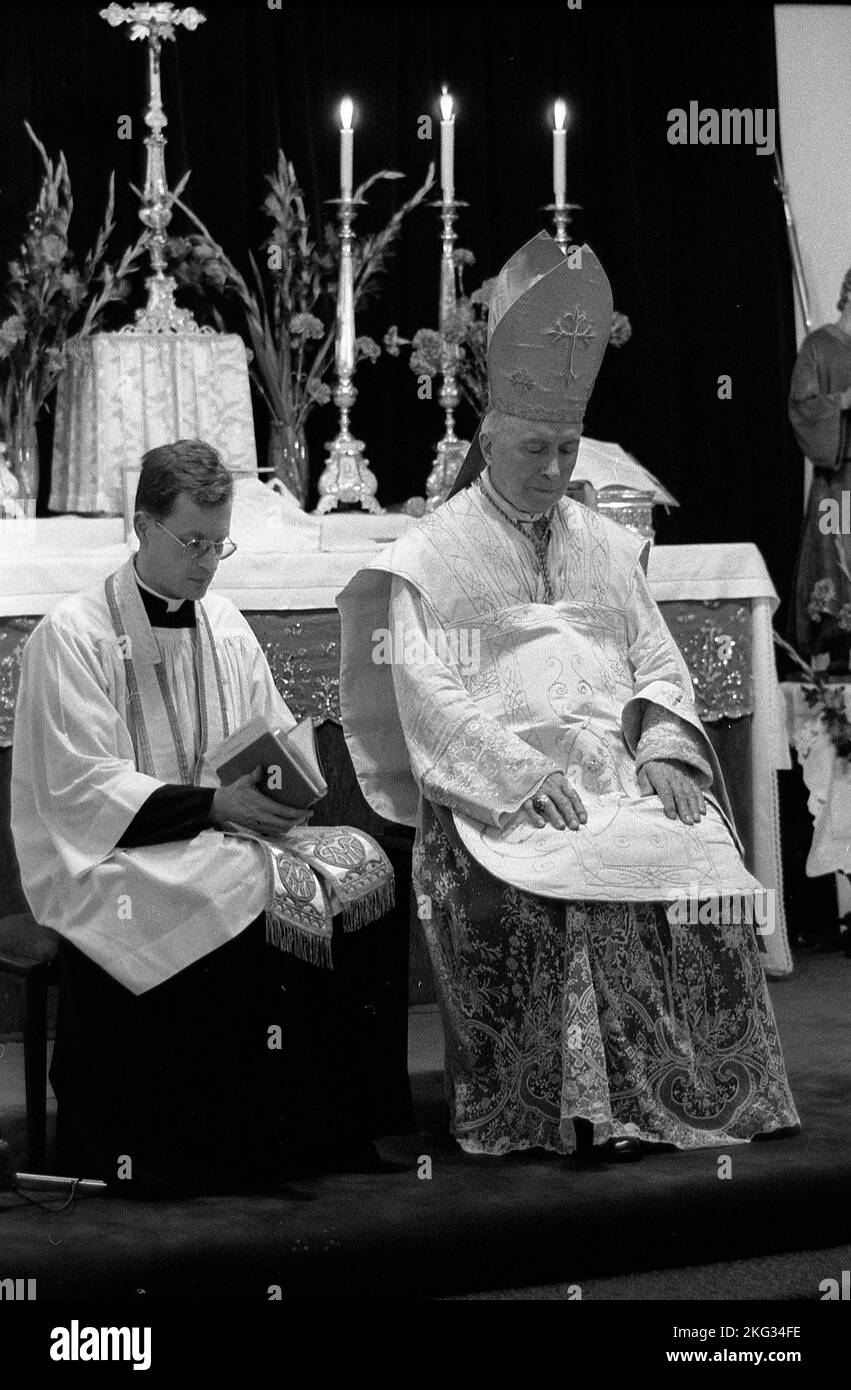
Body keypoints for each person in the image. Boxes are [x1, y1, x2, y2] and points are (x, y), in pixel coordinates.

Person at [338, 233, 799, 1163]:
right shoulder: (431, 554)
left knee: (695, 847)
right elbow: (427, 696)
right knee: (566, 869)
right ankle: (577, 1109)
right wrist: (514, 775)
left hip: (621, 773)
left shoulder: (602, 543)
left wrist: (665, 752)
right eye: (534, 449)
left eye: (564, 450)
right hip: (506, 789)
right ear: (488, 439)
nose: (553, 470)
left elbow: (658, 661)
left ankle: (695, 1093)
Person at [11, 439, 401, 1197]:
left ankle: (332, 1126)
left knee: (363, 863)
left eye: (219, 544)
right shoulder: (75, 633)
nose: (207, 563)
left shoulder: (222, 620)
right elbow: (80, 787)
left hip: (223, 831)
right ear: (141, 524)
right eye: (191, 542)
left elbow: (273, 730)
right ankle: (205, 1143)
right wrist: (215, 807)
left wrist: (287, 785)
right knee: (248, 881)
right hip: (111, 856)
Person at [787, 266, 851, 664]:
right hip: (838, 482)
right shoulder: (819, 346)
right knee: (836, 565)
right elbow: (801, 406)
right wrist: (843, 401)